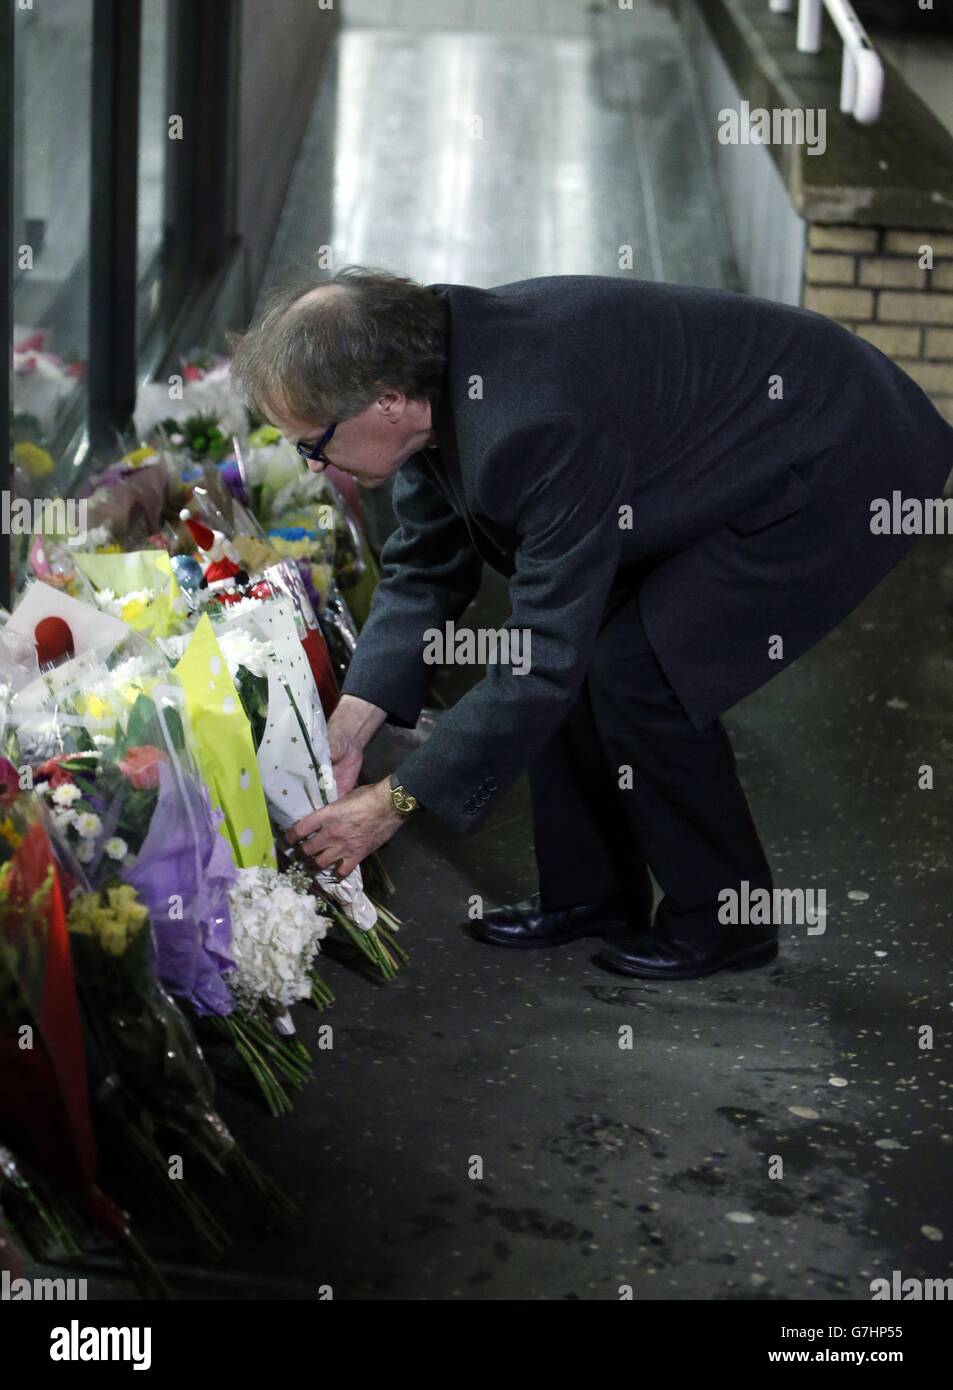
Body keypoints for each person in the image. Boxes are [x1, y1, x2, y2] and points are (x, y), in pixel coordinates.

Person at [229, 266, 952, 980]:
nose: (314, 463)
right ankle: (592, 897)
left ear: (385, 402)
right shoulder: (424, 364)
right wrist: (350, 726)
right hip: (725, 448)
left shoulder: (528, 417)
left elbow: (543, 654)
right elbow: (425, 563)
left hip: (836, 455)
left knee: (641, 671)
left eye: (312, 443)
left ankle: (725, 923)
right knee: (592, 646)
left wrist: (392, 803)